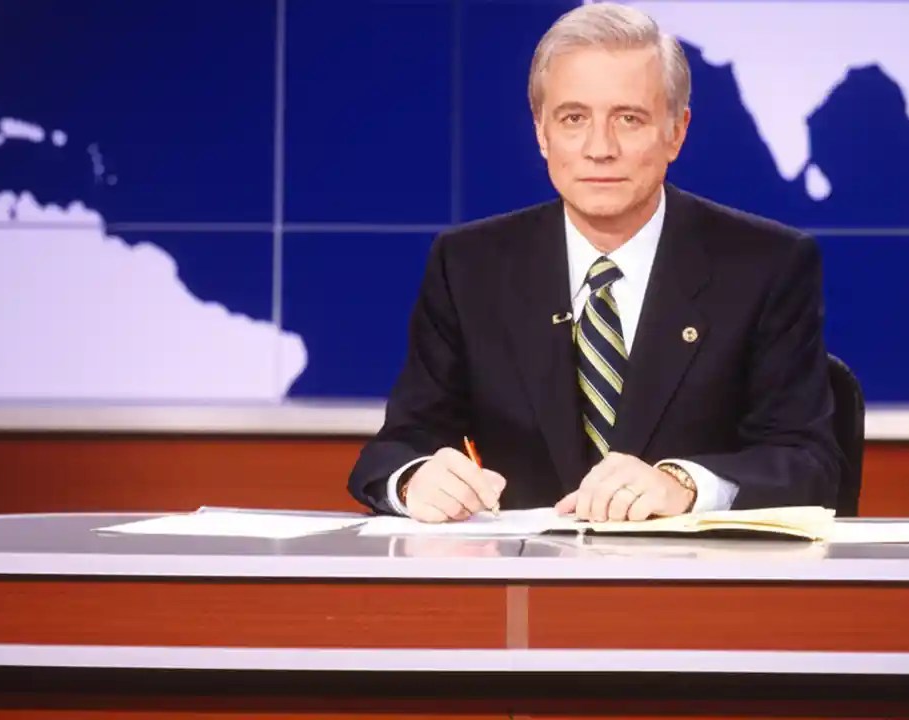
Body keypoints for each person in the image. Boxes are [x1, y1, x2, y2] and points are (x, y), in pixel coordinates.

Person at [348, 2, 844, 523]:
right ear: (542, 132)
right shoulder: (469, 266)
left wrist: (685, 486)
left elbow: (809, 463)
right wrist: (416, 479)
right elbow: (397, 448)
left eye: (628, 119)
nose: (599, 148)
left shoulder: (767, 266)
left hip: (693, 586)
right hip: (516, 585)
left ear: (676, 131)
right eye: (573, 119)